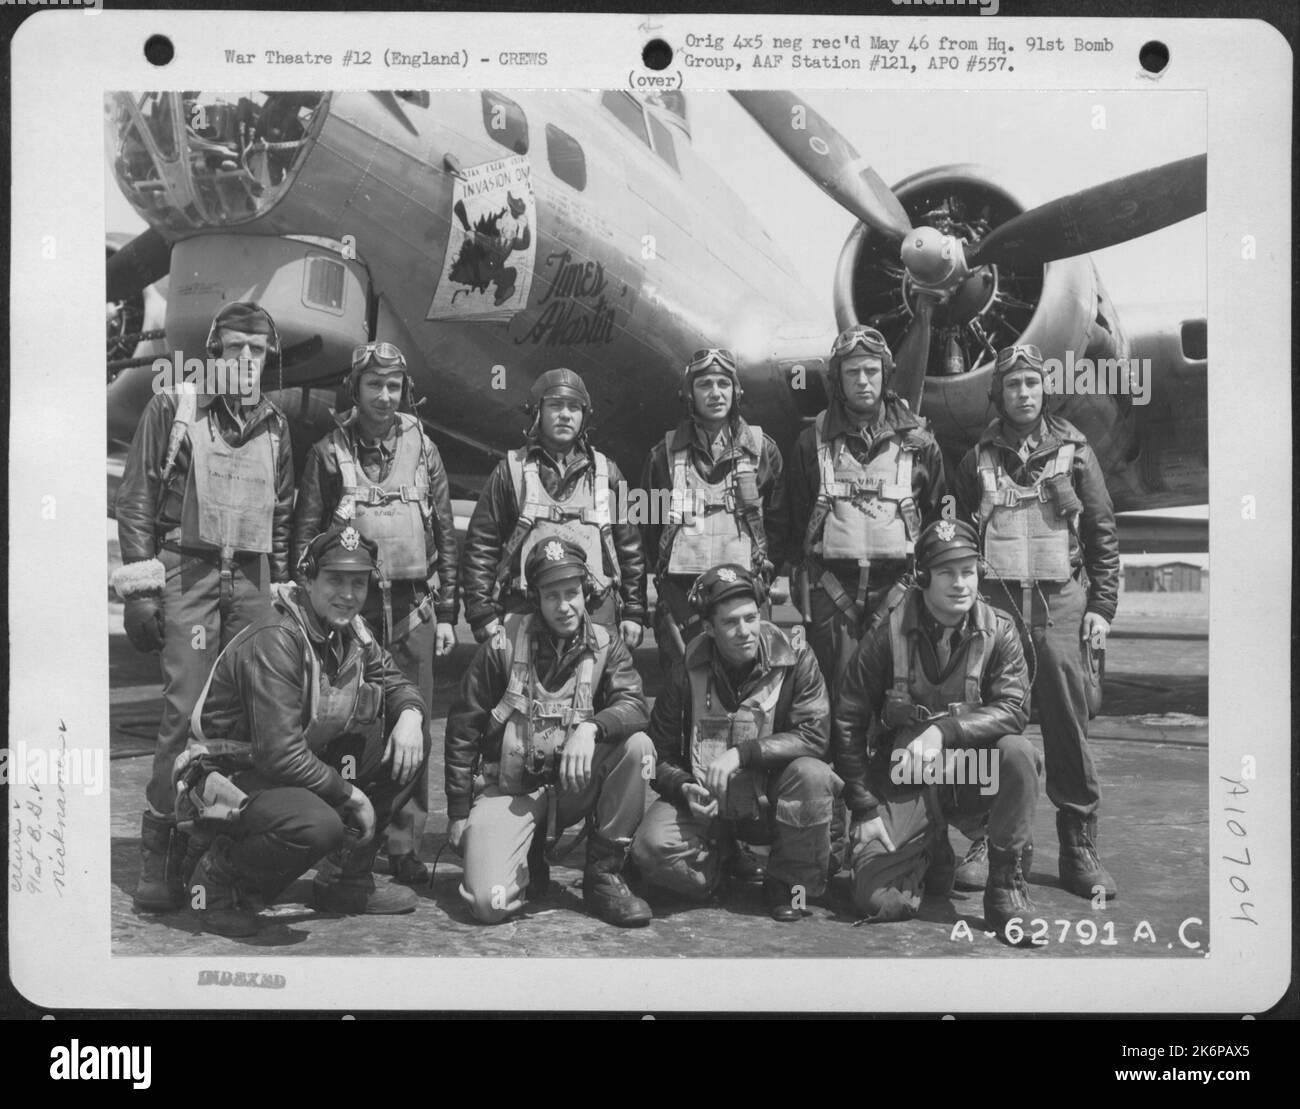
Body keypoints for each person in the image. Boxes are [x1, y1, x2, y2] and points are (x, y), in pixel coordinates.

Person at [112, 301, 295, 914]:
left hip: (252, 577)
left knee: (248, 717)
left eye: (257, 350)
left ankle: (220, 847)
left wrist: (287, 589)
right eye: (233, 348)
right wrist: (140, 588)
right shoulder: (174, 405)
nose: (245, 360)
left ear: (268, 358)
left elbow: (287, 514)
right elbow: (136, 498)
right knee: (182, 714)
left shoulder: (275, 423)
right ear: (213, 352)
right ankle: (162, 849)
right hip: (187, 568)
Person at [175, 524, 431, 937]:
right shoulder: (277, 637)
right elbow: (280, 753)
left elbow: (396, 682)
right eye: (335, 580)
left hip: (284, 766)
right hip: (230, 775)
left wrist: (411, 716)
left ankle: (345, 880)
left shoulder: (351, 632)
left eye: (358, 582)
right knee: (319, 824)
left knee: (406, 738)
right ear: (307, 579)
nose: (348, 594)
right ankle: (218, 881)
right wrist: (350, 794)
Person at [951, 343, 1120, 901]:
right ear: (997, 393)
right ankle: (990, 837)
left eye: (1032, 382)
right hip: (996, 608)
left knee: (1068, 721)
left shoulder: (1075, 450)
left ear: (1044, 389)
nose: (1023, 393)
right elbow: (956, 537)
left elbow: (1101, 535)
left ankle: (1077, 845)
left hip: (1060, 602)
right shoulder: (975, 456)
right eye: (1013, 384)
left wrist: (1101, 608)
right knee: (992, 722)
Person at [292, 341, 459, 886]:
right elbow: (305, 536)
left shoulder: (425, 450)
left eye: (393, 387)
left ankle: (405, 842)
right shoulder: (325, 453)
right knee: (345, 725)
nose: (384, 397)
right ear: (355, 390)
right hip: (349, 612)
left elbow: (444, 534)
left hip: (413, 609)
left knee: (415, 727)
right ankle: (345, 834)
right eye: (373, 386)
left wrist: (450, 610)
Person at [833, 520, 1040, 944]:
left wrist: (944, 731)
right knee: (877, 900)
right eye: (947, 572)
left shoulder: (999, 630)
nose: (961, 584)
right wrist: (865, 807)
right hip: (908, 773)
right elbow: (848, 719)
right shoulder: (885, 632)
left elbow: (1015, 709)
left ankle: (1004, 888)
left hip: (971, 772)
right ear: (923, 577)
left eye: (968, 571)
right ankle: (932, 851)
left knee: (1019, 753)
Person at [444, 538, 655, 927]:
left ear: (586, 591)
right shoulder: (502, 644)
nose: (564, 606)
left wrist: (591, 727)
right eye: (551, 595)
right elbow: (463, 728)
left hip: (574, 787)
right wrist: (457, 812)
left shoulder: (609, 645)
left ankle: (604, 873)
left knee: (639, 749)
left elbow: (636, 707)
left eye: (572, 593)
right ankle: (527, 858)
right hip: (512, 790)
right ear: (534, 599)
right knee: (489, 904)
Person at [631, 564, 841, 922]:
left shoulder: (797, 657)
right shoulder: (687, 667)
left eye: (751, 617)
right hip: (710, 809)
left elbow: (815, 736)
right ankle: (718, 868)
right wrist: (683, 789)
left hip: (771, 802)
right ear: (710, 628)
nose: (745, 631)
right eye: (730, 623)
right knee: (650, 849)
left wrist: (742, 754)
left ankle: (789, 883)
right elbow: (658, 756)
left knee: (813, 775)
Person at [788, 325, 948, 696]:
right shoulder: (809, 442)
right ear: (837, 380)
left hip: (899, 589)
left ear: (886, 375)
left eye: (871, 371)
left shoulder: (921, 443)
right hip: (831, 590)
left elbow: (939, 517)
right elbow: (794, 517)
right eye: (852, 372)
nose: (863, 381)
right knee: (833, 700)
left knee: (898, 694)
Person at [459, 368, 647, 649]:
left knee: (600, 689)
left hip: (594, 608)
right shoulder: (510, 472)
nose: (565, 415)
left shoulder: (607, 473)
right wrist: (482, 612)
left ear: (584, 415)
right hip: (526, 610)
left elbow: (630, 547)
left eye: (574, 407)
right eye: (555, 405)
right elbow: (481, 546)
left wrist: (633, 610)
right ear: (538, 412)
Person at [640, 347, 790, 673]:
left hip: (743, 594)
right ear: (689, 394)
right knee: (682, 694)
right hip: (683, 599)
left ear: (736, 391)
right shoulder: (662, 456)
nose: (715, 393)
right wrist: (669, 595)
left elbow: (779, 525)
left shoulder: (763, 451)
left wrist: (762, 580)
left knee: (745, 690)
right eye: (705, 384)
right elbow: (648, 530)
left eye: (723, 383)